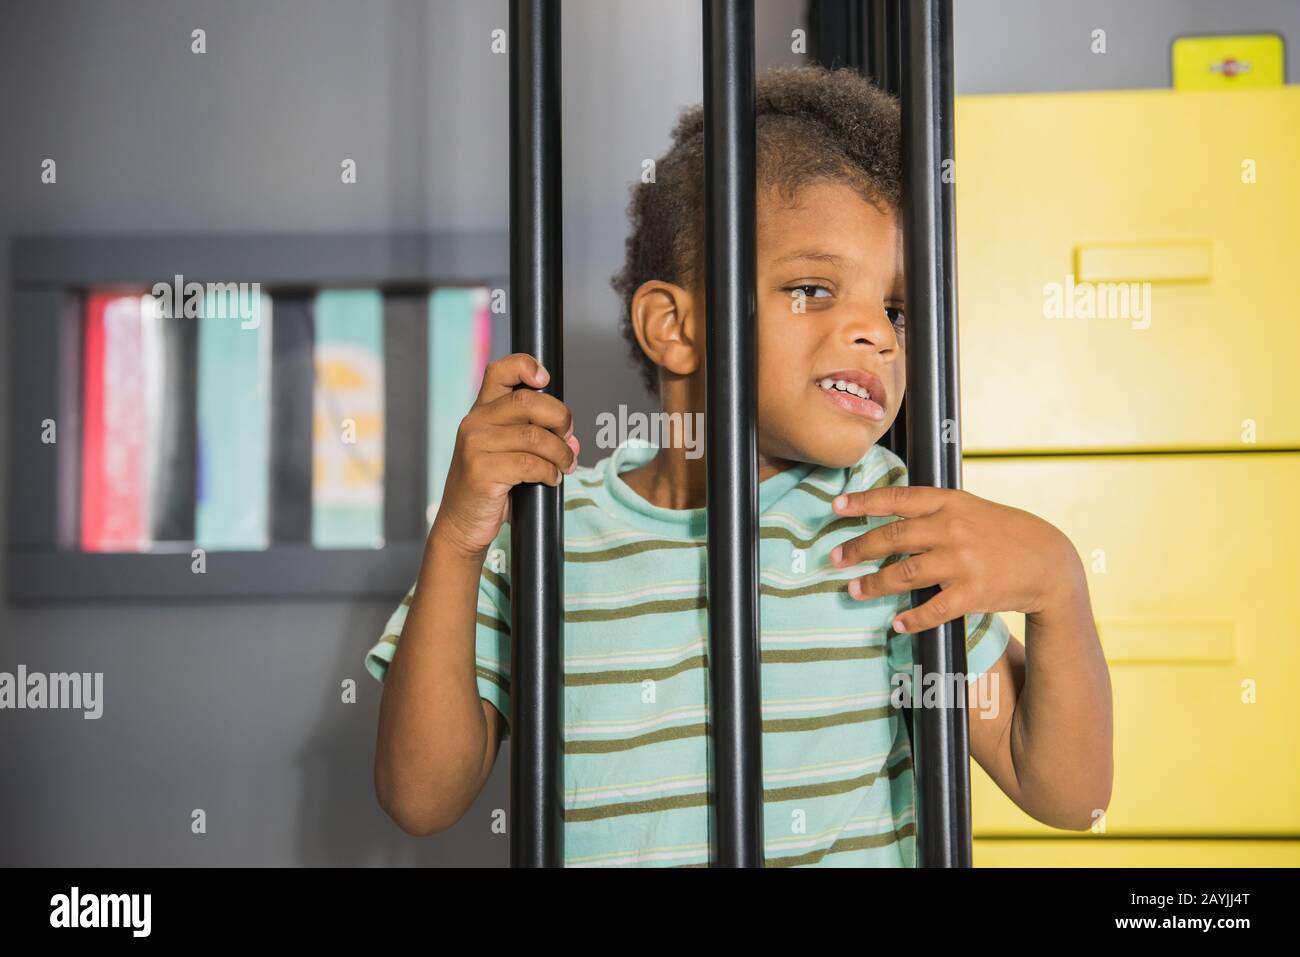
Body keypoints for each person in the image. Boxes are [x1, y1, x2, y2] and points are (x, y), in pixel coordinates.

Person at [365, 64, 1113, 867]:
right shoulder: (551, 527)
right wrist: (458, 539)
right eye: (815, 289)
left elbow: (1072, 795)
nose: (880, 334)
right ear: (674, 327)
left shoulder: (891, 525)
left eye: (894, 306)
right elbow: (420, 796)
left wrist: (1059, 586)